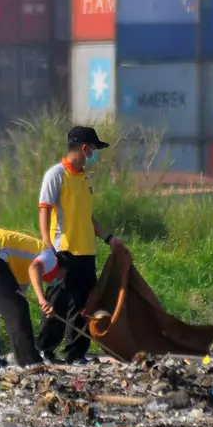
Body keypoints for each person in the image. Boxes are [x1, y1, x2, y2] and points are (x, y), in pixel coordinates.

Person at [36, 126, 130, 364]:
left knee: (83, 306)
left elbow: (88, 217)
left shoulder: (84, 179)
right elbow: (44, 209)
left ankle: (75, 354)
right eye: (94, 149)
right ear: (85, 148)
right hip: (64, 250)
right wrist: (47, 243)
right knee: (56, 303)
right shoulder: (56, 174)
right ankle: (45, 350)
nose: (95, 154)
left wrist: (109, 238)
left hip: (86, 251)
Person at [0, 227, 69, 368]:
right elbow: (35, 268)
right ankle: (30, 362)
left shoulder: (22, 268)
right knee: (17, 309)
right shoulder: (51, 257)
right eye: (62, 276)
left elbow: (16, 295)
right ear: (61, 267)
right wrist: (42, 299)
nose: (58, 280)